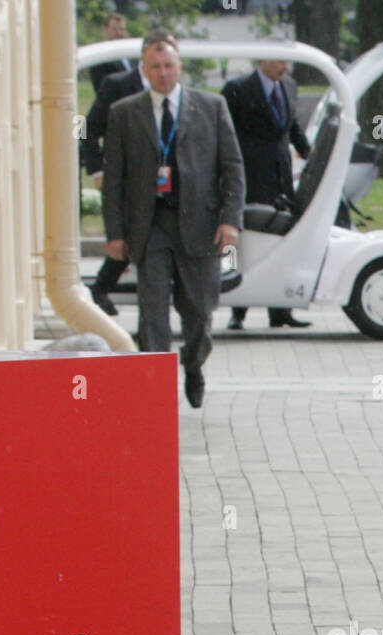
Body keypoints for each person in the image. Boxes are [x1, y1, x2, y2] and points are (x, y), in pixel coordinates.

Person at [103, 36, 245, 409]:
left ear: (179, 67)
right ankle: (155, 391)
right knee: (153, 314)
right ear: (143, 70)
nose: (162, 73)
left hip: (200, 226)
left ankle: (194, 364)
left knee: (199, 311)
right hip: (151, 227)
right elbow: (114, 179)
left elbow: (232, 167)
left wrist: (231, 221)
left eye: (169, 65)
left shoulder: (211, 107)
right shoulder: (124, 112)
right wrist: (115, 233)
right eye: (154, 66)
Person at [83, 31, 172, 316]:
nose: (165, 68)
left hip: (165, 184)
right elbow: (87, 128)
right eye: (157, 61)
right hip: (127, 180)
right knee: (128, 241)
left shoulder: (176, 87)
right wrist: (97, 170)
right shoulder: (117, 85)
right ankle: (99, 289)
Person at [223, 59, 313, 330]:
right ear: (263, 60)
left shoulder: (289, 85)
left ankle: (281, 310)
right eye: (279, 61)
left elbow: (291, 125)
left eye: (287, 61)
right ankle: (238, 309)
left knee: (282, 238)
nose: (285, 66)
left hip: (280, 174)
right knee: (243, 241)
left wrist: (309, 152)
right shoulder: (238, 88)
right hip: (249, 174)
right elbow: (225, 130)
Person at [88, 12, 136, 95]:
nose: (119, 33)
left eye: (121, 29)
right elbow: (102, 90)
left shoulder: (133, 56)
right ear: (105, 31)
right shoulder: (99, 59)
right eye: (115, 29)